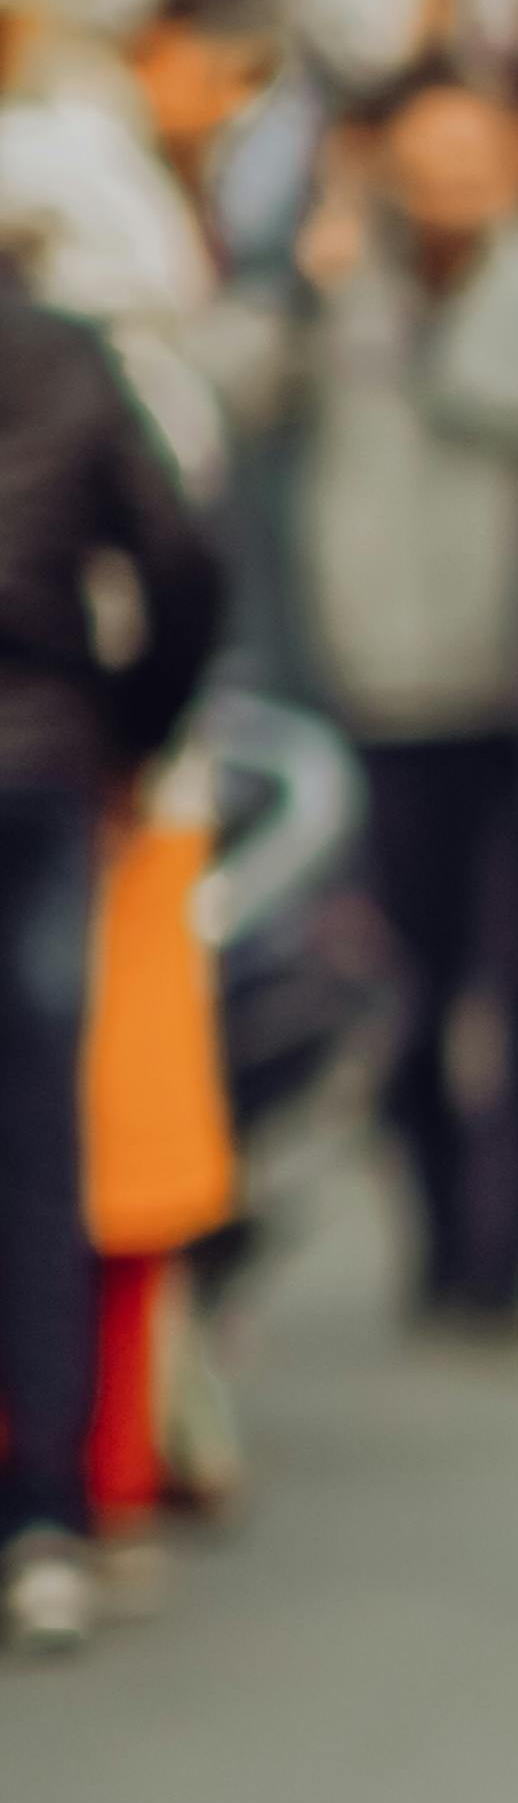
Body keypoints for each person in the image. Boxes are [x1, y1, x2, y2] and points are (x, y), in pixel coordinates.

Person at [263, 66, 518, 1328]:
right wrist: (293, 277)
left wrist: (437, 330)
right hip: (383, 684)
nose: (450, 188)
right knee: (402, 983)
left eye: (474, 159)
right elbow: (243, 390)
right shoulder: (335, 284)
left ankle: (505, 1257)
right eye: (425, 163)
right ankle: (435, 1227)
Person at [0, 223, 223, 1646]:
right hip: (38, 771)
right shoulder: (63, 353)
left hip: (46, 759)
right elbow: (184, 563)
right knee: (37, 1148)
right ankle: (46, 1517)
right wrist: (126, 736)